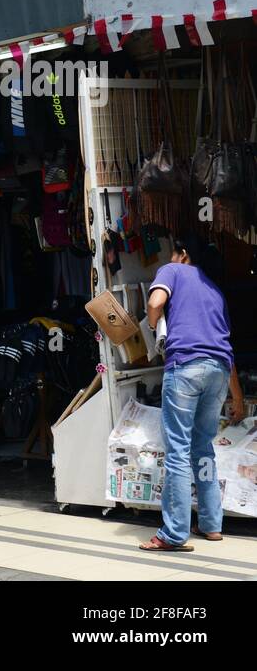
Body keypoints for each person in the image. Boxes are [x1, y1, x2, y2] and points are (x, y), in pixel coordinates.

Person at [139, 236, 245, 552]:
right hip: (218, 373)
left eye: (173, 252)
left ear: (183, 255)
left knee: (178, 451)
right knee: (203, 448)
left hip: (185, 367)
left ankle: (173, 534)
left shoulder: (173, 270)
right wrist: (236, 396)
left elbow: (155, 303)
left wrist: (155, 328)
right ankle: (211, 524)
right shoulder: (215, 291)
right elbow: (226, 348)